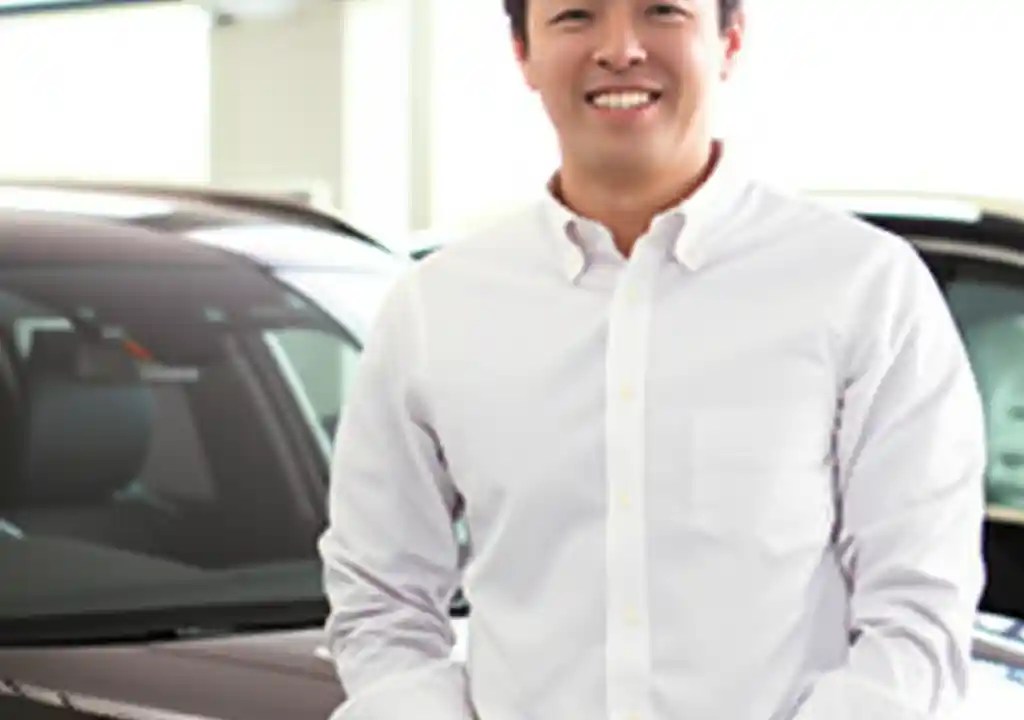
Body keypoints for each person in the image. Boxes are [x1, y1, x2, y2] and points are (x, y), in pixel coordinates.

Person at [317, 1, 987, 718]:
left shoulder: (864, 287)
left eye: (661, 10)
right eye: (576, 16)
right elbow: (380, 605)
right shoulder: (436, 308)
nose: (620, 48)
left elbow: (918, 611)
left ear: (728, 40)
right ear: (523, 53)